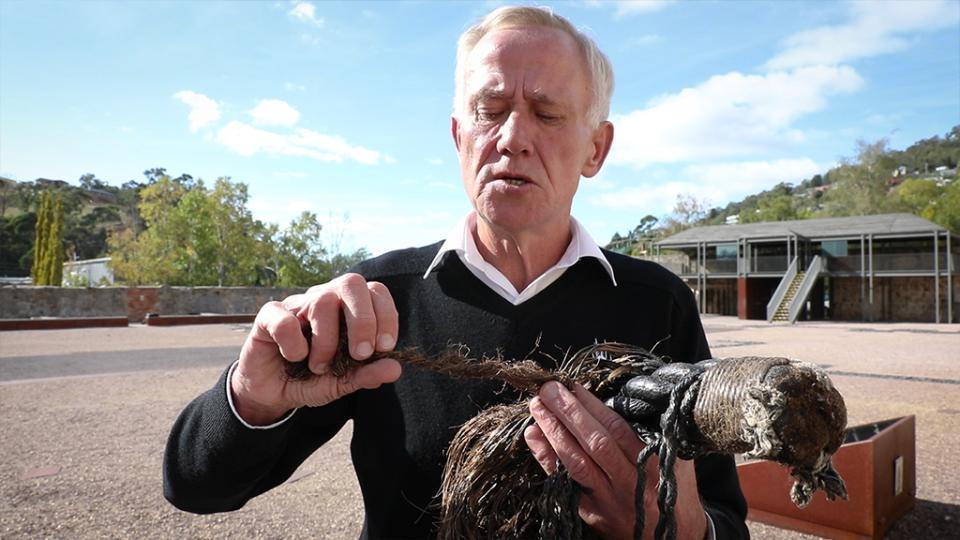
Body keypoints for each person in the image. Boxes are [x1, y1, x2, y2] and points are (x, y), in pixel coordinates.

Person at [164, 6, 749, 539]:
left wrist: (684, 530)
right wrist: (250, 398)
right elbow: (196, 487)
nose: (513, 138)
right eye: (489, 111)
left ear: (596, 149)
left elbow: (728, 520)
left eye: (546, 114)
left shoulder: (657, 304)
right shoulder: (377, 302)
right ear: (457, 135)